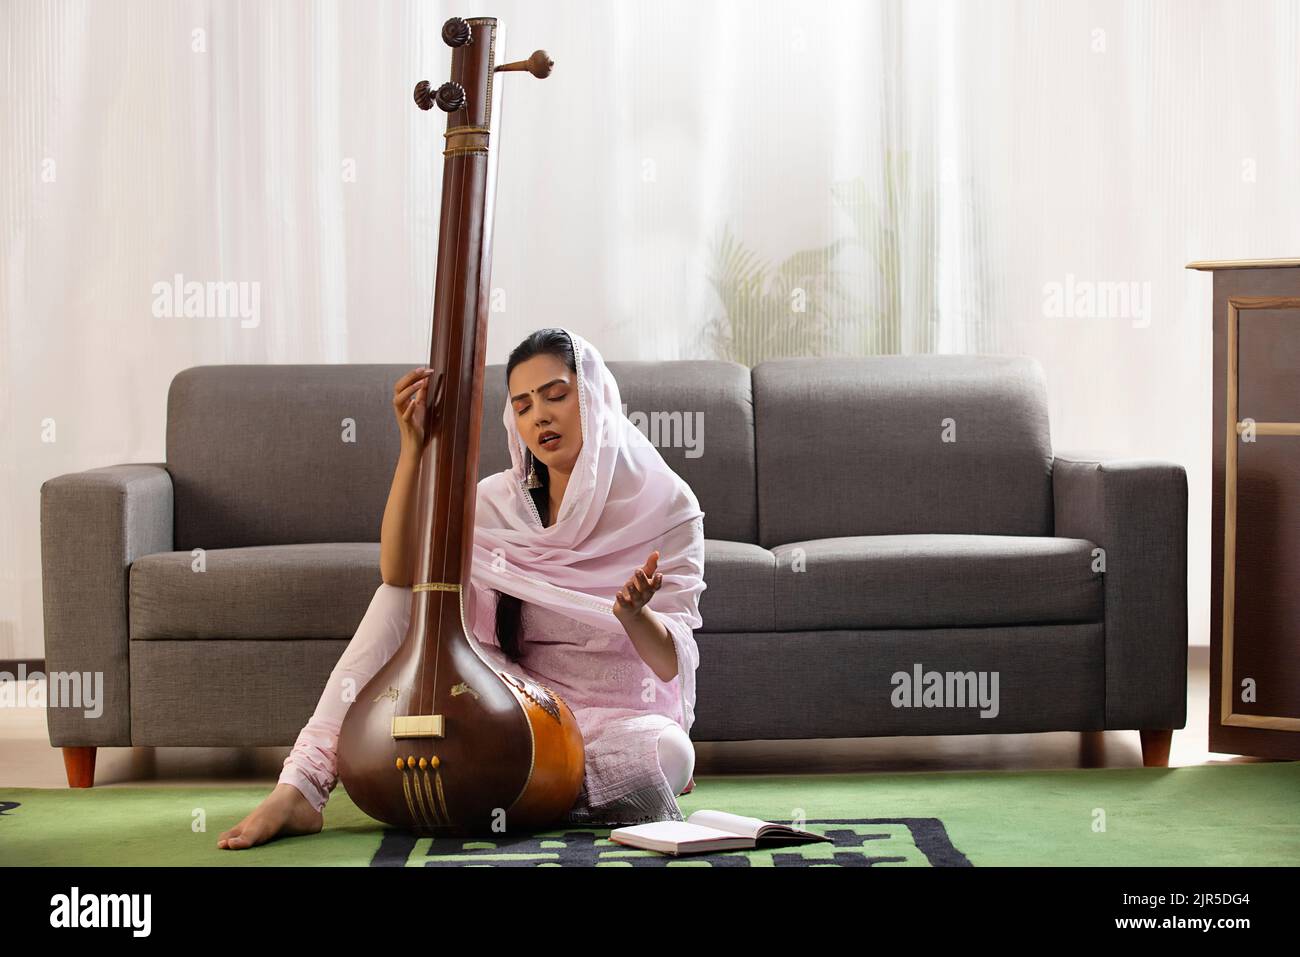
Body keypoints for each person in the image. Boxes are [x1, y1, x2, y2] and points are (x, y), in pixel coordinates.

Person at [218, 328, 705, 850]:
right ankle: (303, 784)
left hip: (611, 720)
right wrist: (413, 450)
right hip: (515, 708)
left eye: (557, 395)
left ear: (596, 399)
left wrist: (634, 615)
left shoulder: (668, 505)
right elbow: (400, 573)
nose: (539, 415)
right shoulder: (495, 504)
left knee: (670, 755)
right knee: (398, 598)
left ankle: (502, 782)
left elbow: (670, 662)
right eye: (522, 405)